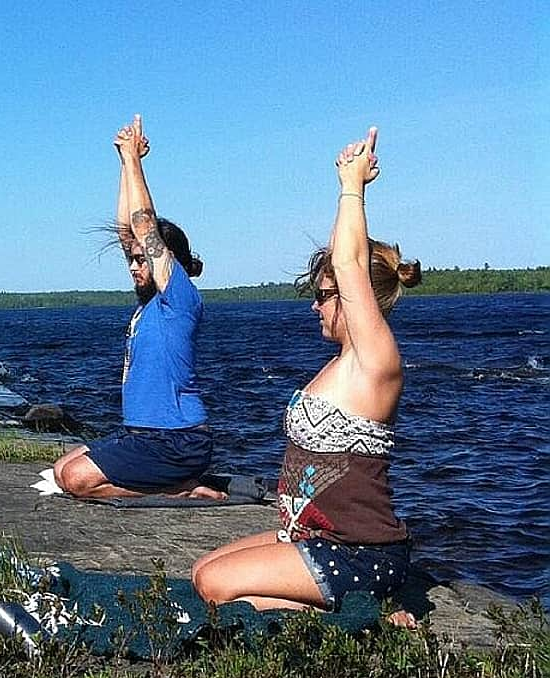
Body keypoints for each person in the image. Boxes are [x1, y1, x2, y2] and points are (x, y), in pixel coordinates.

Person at [190, 127, 421, 624]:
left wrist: (351, 186)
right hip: (314, 537)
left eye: (324, 295)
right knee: (203, 570)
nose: (315, 305)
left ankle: (365, 616)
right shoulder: (338, 364)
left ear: (356, 299)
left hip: (363, 553)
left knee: (215, 587)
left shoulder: (376, 362)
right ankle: (345, 608)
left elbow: (349, 260)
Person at [53, 115, 219, 499]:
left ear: (168, 262)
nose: (133, 265)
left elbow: (144, 228)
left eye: (142, 260)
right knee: (62, 470)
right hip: (141, 435)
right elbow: (129, 233)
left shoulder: (178, 299)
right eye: (131, 259)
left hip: (177, 441)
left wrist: (136, 162)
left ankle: (179, 488)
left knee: (78, 481)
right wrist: (124, 164)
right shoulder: (146, 308)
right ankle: (172, 483)